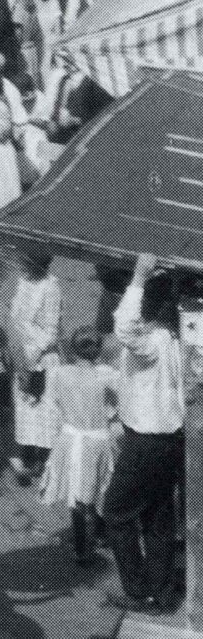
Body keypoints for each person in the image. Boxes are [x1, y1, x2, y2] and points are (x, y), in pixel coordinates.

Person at [102, 252, 185, 615]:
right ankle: (162, 590)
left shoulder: (152, 343)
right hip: (169, 439)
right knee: (157, 517)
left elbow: (123, 326)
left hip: (146, 440)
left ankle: (139, 589)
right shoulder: (183, 340)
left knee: (116, 513)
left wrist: (138, 276)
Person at [37, 326, 118, 566]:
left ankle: (82, 547)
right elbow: (119, 406)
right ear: (98, 351)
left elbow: (50, 405)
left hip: (70, 439)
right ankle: (101, 535)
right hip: (98, 439)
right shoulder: (107, 376)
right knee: (101, 488)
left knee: (77, 495)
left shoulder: (59, 374)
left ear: (73, 350)